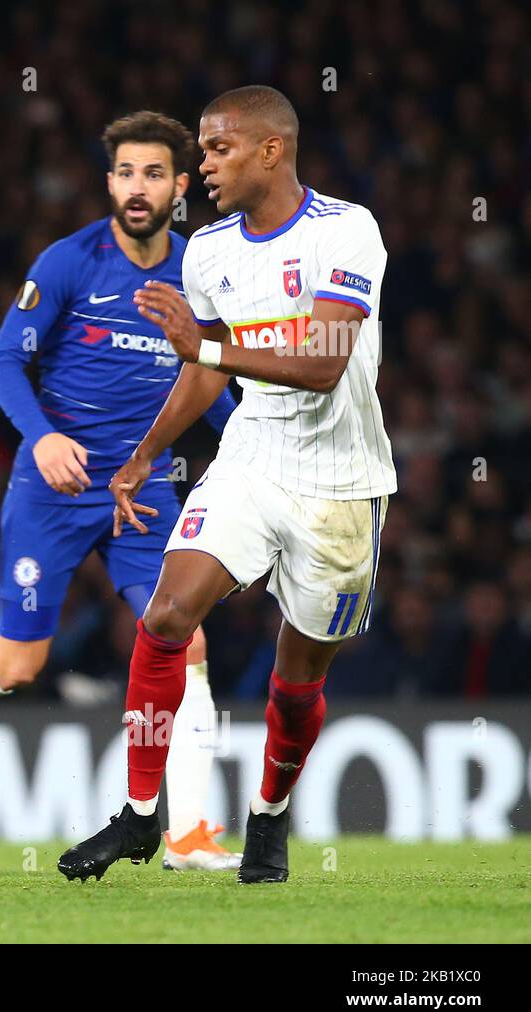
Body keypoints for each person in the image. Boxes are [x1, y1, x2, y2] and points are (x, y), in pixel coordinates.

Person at [0, 111, 241, 871]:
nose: (138, 188)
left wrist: (248, 444)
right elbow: (2, 364)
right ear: (109, 182)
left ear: (180, 185)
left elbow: (209, 380)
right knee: (17, 665)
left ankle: (190, 831)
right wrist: (44, 436)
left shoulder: (198, 271)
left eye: (154, 174)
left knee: (183, 639)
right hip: (53, 488)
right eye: (125, 173)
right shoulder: (69, 262)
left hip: (143, 488)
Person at [58, 85, 394, 884]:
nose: (200, 165)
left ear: (270, 150)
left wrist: (204, 351)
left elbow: (319, 367)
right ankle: (143, 816)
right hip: (250, 458)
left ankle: (270, 817)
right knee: (167, 612)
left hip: (342, 484)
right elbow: (207, 372)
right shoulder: (207, 249)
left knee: (299, 677)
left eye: (216, 149)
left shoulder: (346, 232)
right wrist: (147, 451)